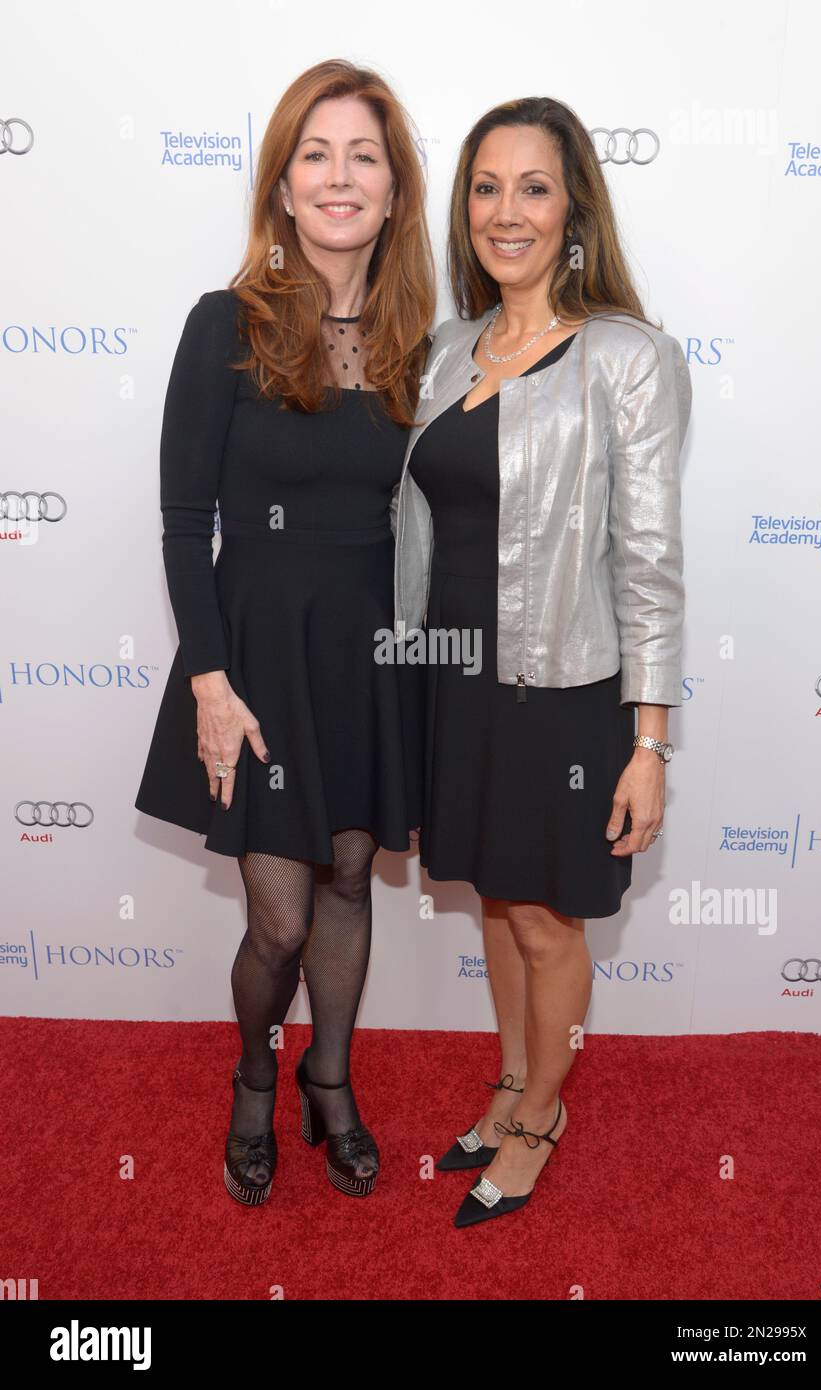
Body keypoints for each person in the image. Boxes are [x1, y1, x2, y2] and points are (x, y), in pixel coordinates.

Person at [134, 59, 434, 1205]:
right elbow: (180, 521)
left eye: (364, 155)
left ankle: (332, 1079)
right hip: (254, 657)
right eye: (316, 153)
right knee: (276, 915)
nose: (339, 176)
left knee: (353, 869)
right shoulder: (226, 325)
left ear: (395, 191)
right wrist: (209, 678)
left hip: (370, 657)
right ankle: (254, 1081)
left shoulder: (422, 344)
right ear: (282, 185)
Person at [393, 96, 692, 1226]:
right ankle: (512, 1080)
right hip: (455, 676)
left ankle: (538, 1120)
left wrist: (648, 740)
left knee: (542, 918)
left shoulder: (625, 358)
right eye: (483, 186)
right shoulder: (445, 351)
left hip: (562, 691)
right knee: (491, 895)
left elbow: (651, 560)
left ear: (574, 210)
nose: (503, 211)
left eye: (531, 187)